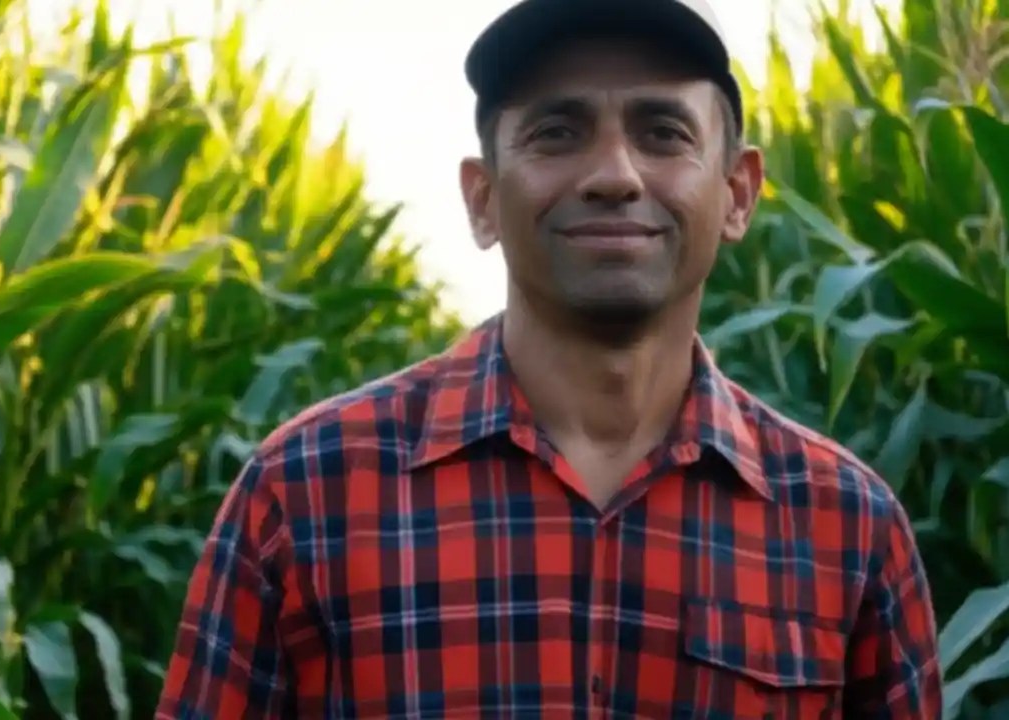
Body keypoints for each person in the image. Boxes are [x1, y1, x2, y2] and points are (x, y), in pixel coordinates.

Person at [155, 0, 943, 716]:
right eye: (556, 132)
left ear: (737, 193)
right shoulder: (304, 498)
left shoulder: (848, 530)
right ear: (482, 199)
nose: (613, 175)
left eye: (662, 133)